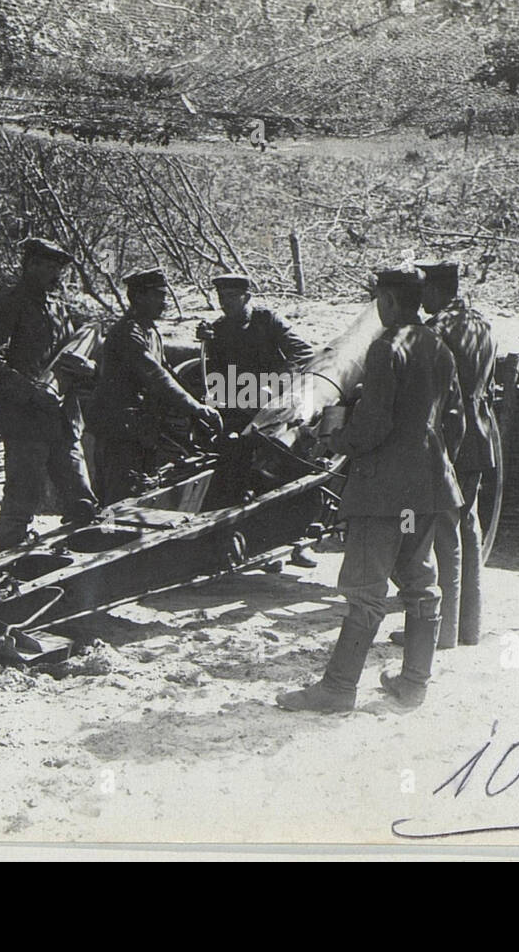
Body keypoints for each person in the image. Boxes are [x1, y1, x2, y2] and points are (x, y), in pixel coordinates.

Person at [277, 267, 464, 712]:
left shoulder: (385, 349)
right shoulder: (440, 347)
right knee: (419, 581)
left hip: (383, 491)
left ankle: (339, 689)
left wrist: (335, 441)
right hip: (427, 488)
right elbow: (453, 419)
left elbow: (373, 426)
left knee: (365, 587)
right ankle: (415, 682)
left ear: (389, 301)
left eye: (379, 298)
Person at [0, 238, 100, 551]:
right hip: (24, 419)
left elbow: (67, 356)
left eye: (58, 266)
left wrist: (88, 368)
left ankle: (82, 557)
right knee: (23, 496)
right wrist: (31, 393)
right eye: (47, 264)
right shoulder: (9, 304)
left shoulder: (57, 307)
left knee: (79, 492)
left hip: (62, 417)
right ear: (30, 265)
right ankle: (9, 561)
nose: (55, 272)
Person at [406, 259, 497, 647]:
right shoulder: (482, 324)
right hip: (481, 434)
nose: (420, 297)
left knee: (444, 531)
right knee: (468, 527)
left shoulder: (436, 329)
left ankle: (442, 632)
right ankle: (468, 629)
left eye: (424, 290)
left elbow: (430, 393)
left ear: (435, 290)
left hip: (452, 437)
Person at [198, 273, 318, 567]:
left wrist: (275, 386)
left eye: (231, 297)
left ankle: (298, 542)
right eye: (221, 298)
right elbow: (213, 376)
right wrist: (205, 346)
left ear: (247, 298)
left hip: (275, 410)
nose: (224, 303)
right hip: (238, 412)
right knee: (235, 475)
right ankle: (247, 544)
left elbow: (303, 353)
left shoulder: (268, 321)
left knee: (287, 473)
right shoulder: (219, 329)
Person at [90, 268, 222, 503]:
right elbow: (156, 376)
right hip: (121, 425)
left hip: (142, 425)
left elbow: (169, 372)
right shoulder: (129, 333)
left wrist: (195, 406)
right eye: (158, 296)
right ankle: (108, 536)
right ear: (139, 297)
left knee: (143, 486)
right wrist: (197, 409)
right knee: (118, 492)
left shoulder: (149, 330)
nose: (164, 303)